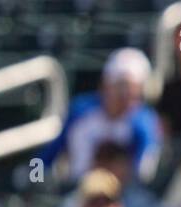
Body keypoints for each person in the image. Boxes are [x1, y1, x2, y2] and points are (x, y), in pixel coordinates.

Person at [41, 48, 161, 183]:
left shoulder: (143, 122)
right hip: (78, 189)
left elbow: (146, 169)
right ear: (106, 85)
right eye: (121, 87)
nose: (125, 96)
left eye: (133, 91)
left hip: (123, 195)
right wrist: (33, 177)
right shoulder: (81, 111)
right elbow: (48, 153)